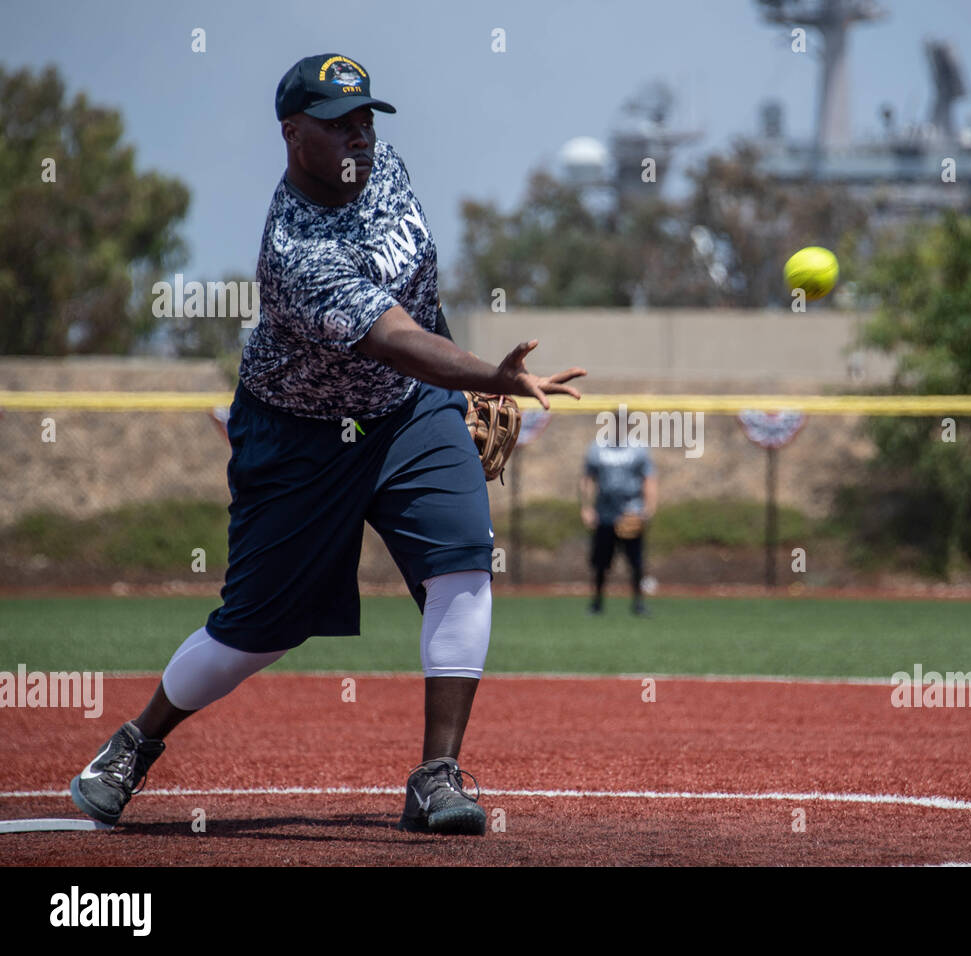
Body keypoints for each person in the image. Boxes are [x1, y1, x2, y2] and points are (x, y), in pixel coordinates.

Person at [68, 53, 584, 837]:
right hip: (301, 436)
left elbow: (418, 303)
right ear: (292, 132)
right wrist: (489, 373)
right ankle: (137, 741)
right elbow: (396, 337)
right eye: (339, 123)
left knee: (463, 564)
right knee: (257, 631)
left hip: (411, 412)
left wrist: (461, 386)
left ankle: (436, 777)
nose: (359, 136)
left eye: (366, 118)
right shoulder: (297, 255)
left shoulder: (388, 168)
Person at [580, 424, 657, 616]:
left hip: (631, 512)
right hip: (605, 514)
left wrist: (648, 510)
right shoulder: (597, 448)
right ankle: (597, 604)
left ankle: (639, 603)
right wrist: (586, 507)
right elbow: (587, 478)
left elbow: (649, 479)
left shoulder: (638, 449)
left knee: (636, 562)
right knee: (600, 562)